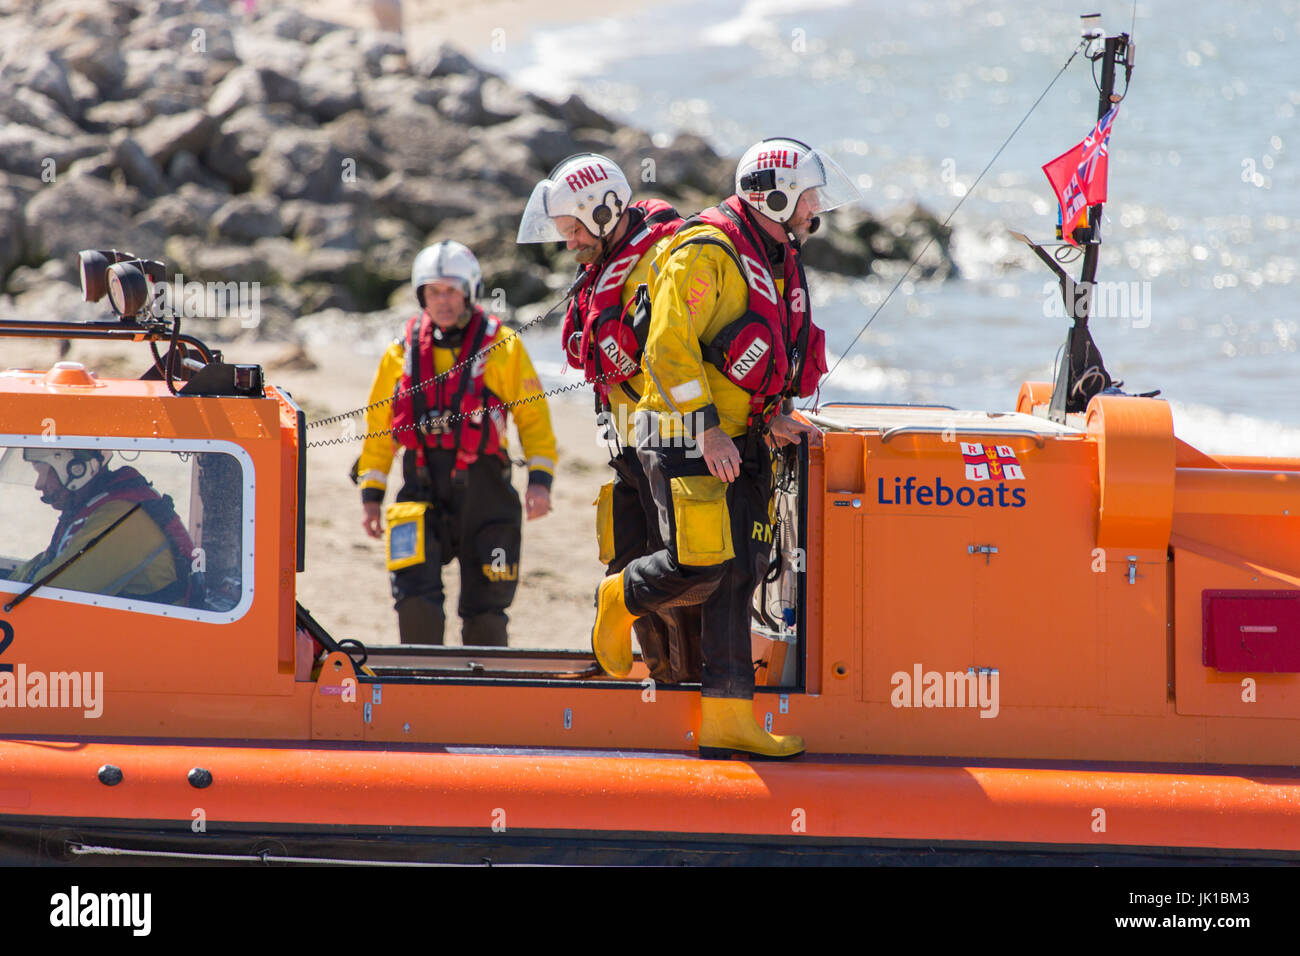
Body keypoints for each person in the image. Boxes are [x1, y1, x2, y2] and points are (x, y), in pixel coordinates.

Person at [591, 137, 862, 758]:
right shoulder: (705, 254)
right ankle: (619, 595)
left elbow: (763, 353)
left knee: (739, 575)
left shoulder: (774, 253)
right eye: (808, 196)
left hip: (743, 435)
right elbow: (667, 349)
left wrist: (777, 414)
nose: (815, 208)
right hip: (686, 433)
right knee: (703, 562)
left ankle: (728, 716)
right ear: (774, 195)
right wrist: (709, 428)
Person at [517, 153, 700, 683]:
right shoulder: (602, 264)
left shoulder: (661, 261)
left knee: (680, 576)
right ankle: (657, 678)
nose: (568, 243)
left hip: (669, 443)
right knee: (626, 556)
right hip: (628, 448)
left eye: (573, 230)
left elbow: (672, 354)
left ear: (604, 212)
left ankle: (685, 688)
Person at [356, 240, 556, 646]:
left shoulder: (504, 347)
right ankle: (420, 686)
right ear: (421, 295)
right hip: (421, 484)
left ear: (469, 291)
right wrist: (371, 495)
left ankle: (485, 693)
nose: (442, 301)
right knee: (413, 596)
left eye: (450, 290)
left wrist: (540, 481)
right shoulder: (400, 352)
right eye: (433, 291)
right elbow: (378, 427)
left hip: (487, 491)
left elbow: (534, 419)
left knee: (487, 609)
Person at [9, 447, 198, 605]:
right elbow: (48, 561)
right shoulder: (102, 509)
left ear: (76, 469)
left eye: (43, 471)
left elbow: (49, 594)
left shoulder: (121, 521)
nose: (38, 485)